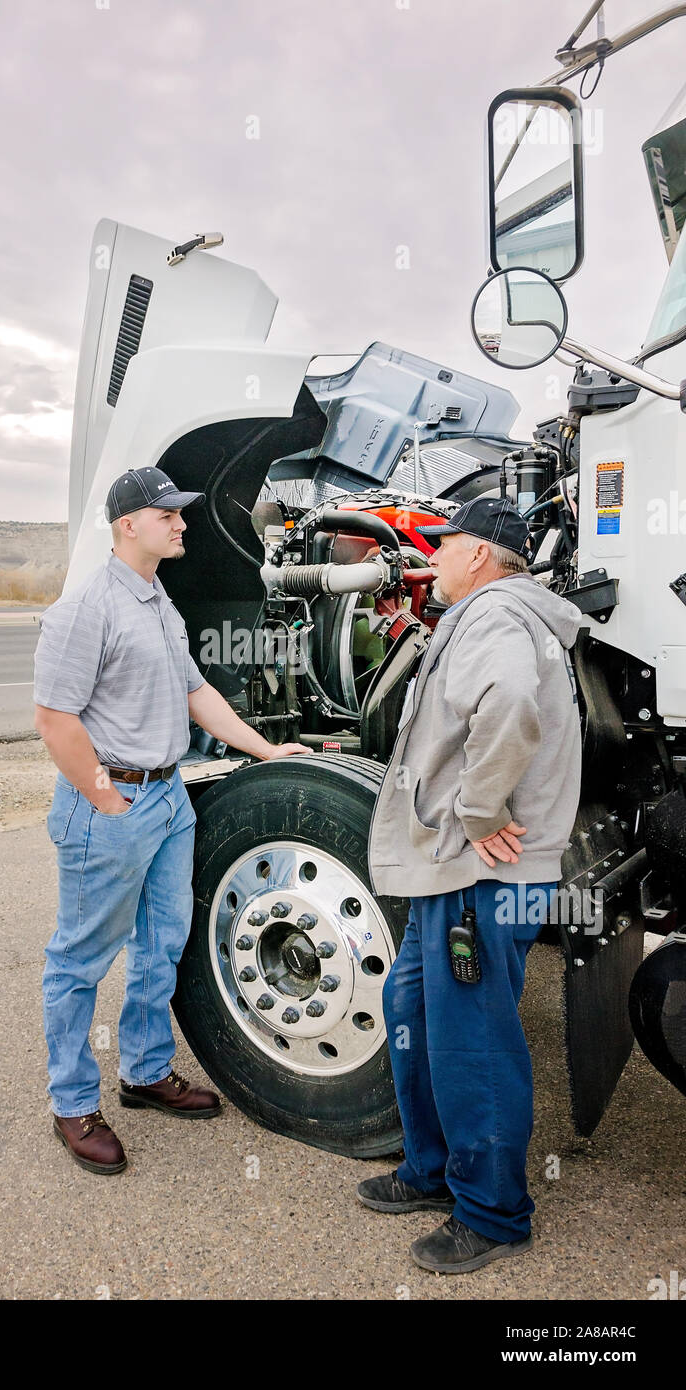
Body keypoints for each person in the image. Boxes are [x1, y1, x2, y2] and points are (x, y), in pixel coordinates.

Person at [33, 465, 306, 1175]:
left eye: (180, 514)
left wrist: (266, 747)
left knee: (163, 948)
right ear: (129, 524)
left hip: (168, 800)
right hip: (113, 803)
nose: (182, 523)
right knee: (79, 961)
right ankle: (72, 1104)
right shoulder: (85, 607)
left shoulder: (156, 599)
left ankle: (147, 1073)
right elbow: (54, 719)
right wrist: (103, 799)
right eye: (169, 515)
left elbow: (196, 691)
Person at [361, 497, 583, 1272]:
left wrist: (479, 809)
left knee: (472, 1038)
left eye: (445, 545)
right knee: (411, 1006)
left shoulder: (494, 617)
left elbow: (510, 704)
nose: (435, 557)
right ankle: (432, 1170)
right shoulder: (501, 612)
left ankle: (492, 1212)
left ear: (481, 554)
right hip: (453, 869)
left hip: (481, 868)